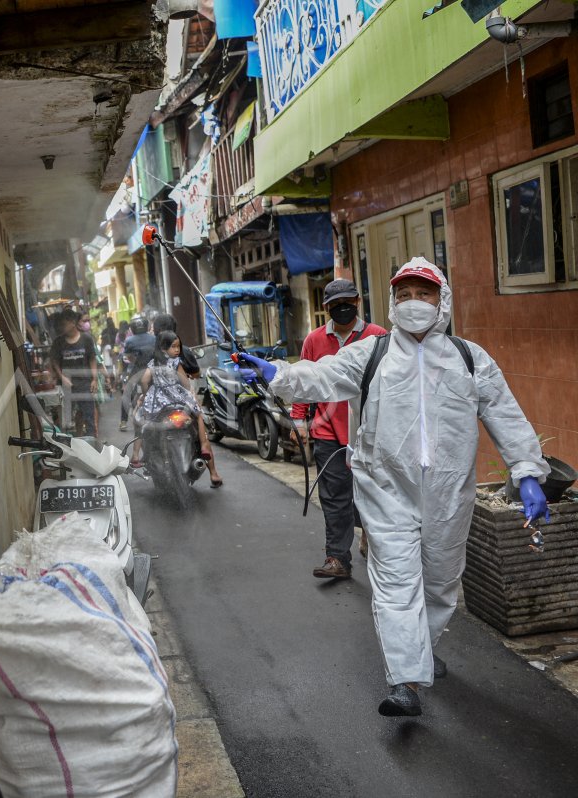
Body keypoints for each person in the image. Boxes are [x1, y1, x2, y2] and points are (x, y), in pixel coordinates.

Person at [237, 258, 549, 717]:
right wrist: (278, 375)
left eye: (423, 294)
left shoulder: (470, 358)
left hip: (448, 493)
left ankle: (421, 646)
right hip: (386, 490)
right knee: (397, 582)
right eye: (403, 295)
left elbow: (504, 413)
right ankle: (406, 681)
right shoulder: (373, 353)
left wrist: (526, 472)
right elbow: (322, 375)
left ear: (441, 301)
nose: (413, 303)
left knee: (441, 583)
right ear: (392, 302)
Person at [289, 279, 385, 580]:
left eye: (349, 302)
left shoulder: (378, 337)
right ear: (326, 307)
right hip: (328, 432)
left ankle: (370, 534)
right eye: (335, 304)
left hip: (371, 431)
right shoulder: (314, 340)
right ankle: (337, 557)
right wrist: (299, 421)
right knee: (334, 496)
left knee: (374, 494)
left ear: (358, 301)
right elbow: (302, 382)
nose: (343, 308)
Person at [135, 331, 223, 487]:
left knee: (144, 420)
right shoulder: (176, 363)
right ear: (163, 348)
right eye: (174, 347)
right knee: (198, 414)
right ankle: (205, 449)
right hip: (177, 398)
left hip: (159, 402)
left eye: (178, 347)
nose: (177, 350)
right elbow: (186, 383)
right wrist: (189, 394)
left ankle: (139, 455)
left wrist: (146, 393)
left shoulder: (153, 363)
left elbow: (144, 380)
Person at [49, 308, 100, 437]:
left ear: (72, 323)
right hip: (67, 386)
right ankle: (70, 444)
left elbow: (92, 359)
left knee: (88, 416)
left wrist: (94, 379)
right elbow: (54, 361)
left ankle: (91, 446)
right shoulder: (58, 342)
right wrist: (62, 377)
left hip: (85, 384)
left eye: (63, 323)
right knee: (65, 420)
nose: (61, 326)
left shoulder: (86, 339)